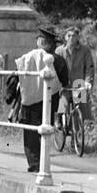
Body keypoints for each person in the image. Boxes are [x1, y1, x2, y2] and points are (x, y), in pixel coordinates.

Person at [13, 27, 67, 174]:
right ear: (51, 44)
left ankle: (34, 164)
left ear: (39, 42)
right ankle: (42, 162)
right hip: (50, 101)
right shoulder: (59, 61)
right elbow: (65, 81)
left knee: (30, 132)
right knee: (45, 130)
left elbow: (15, 78)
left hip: (28, 101)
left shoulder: (25, 58)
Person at [58, 26, 96, 123]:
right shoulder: (59, 51)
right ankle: (59, 124)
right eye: (69, 35)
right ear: (65, 37)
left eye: (74, 36)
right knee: (62, 105)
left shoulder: (85, 50)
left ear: (77, 37)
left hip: (78, 83)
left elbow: (89, 68)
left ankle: (81, 129)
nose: (71, 38)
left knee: (81, 108)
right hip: (64, 84)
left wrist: (88, 82)